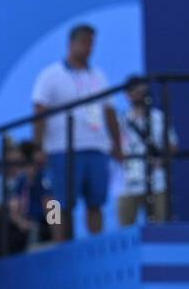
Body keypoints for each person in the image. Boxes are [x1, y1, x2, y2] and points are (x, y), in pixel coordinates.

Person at [31, 24, 124, 238]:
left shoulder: (99, 75)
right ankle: (59, 245)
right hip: (61, 149)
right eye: (84, 42)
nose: (88, 48)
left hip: (96, 147)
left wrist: (117, 145)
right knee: (57, 201)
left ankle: (96, 246)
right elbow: (38, 112)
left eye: (92, 43)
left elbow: (109, 112)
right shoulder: (50, 75)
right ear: (71, 44)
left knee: (96, 201)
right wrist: (38, 147)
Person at [116, 77, 178, 225]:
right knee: (125, 230)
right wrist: (121, 159)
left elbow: (172, 145)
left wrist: (162, 161)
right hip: (127, 183)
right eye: (134, 91)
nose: (138, 94)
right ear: (127, 94)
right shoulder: (120, 120)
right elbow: (112, 147)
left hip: (157, 182)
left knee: (161, 228)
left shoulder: (158, 117)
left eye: (141, 90)